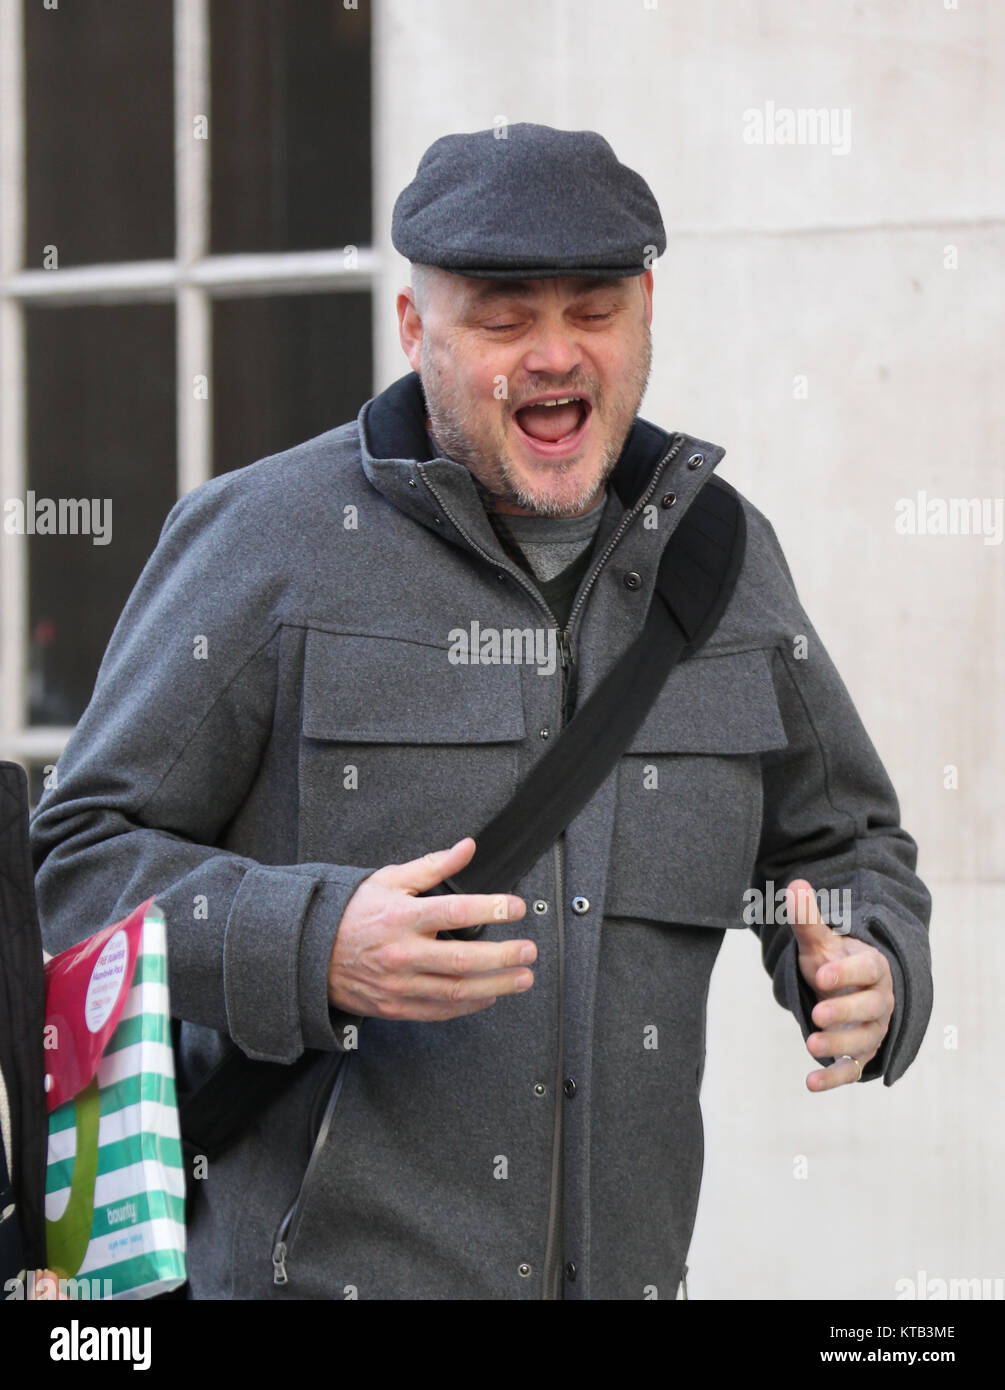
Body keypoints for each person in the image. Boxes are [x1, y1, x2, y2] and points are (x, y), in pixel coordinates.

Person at [30, 123, 933, 1301]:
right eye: (504, 319)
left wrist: (873, 963)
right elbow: (74, 869)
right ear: (415, 330)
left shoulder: (725, 559)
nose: (554, 356)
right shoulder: (263, 543)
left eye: (595, 310)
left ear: (647, 309)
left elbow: (847, 844)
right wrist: (315, 944)